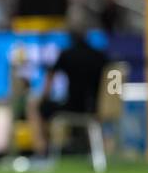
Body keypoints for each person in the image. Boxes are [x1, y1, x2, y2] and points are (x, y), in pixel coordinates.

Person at [30, 25, 108, 156]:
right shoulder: (99, 56)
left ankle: (42, 151)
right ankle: (82, 144)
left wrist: (45, 97)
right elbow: (114, 73)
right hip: (95, 108)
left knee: (38, 106)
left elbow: (50, 77)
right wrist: (111, 99)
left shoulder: (67, 54)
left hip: (72, 106)